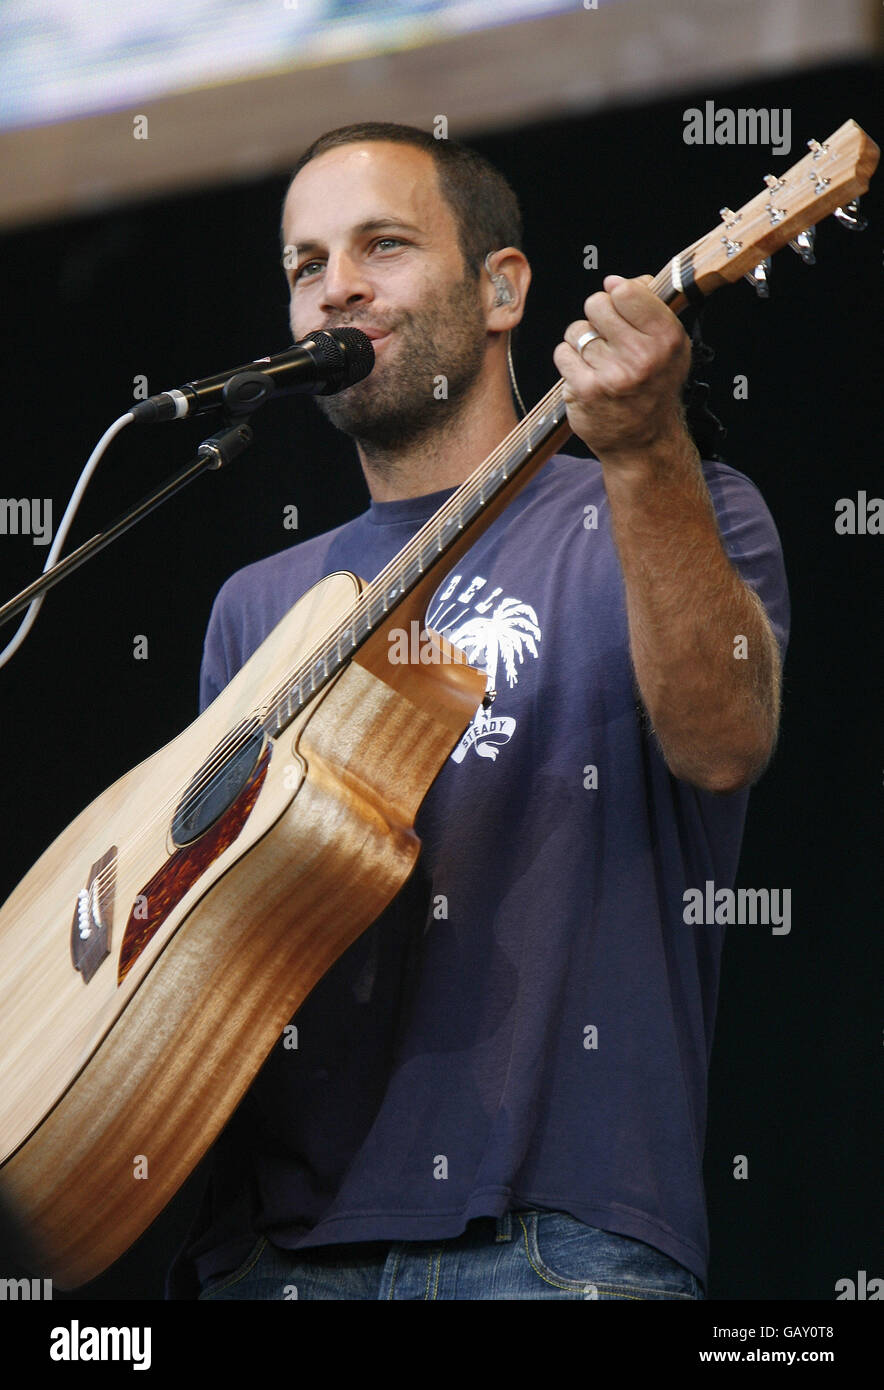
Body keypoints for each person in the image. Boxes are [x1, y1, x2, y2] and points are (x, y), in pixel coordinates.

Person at [165, 122, 789, 1301]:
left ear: (502, 288)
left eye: (381, 245)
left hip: (555, 1237)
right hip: (266, 1252)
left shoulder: (672, 503)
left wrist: (648, 450)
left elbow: (723, 745)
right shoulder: (256, 606)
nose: (335, 285)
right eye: (306, 266)